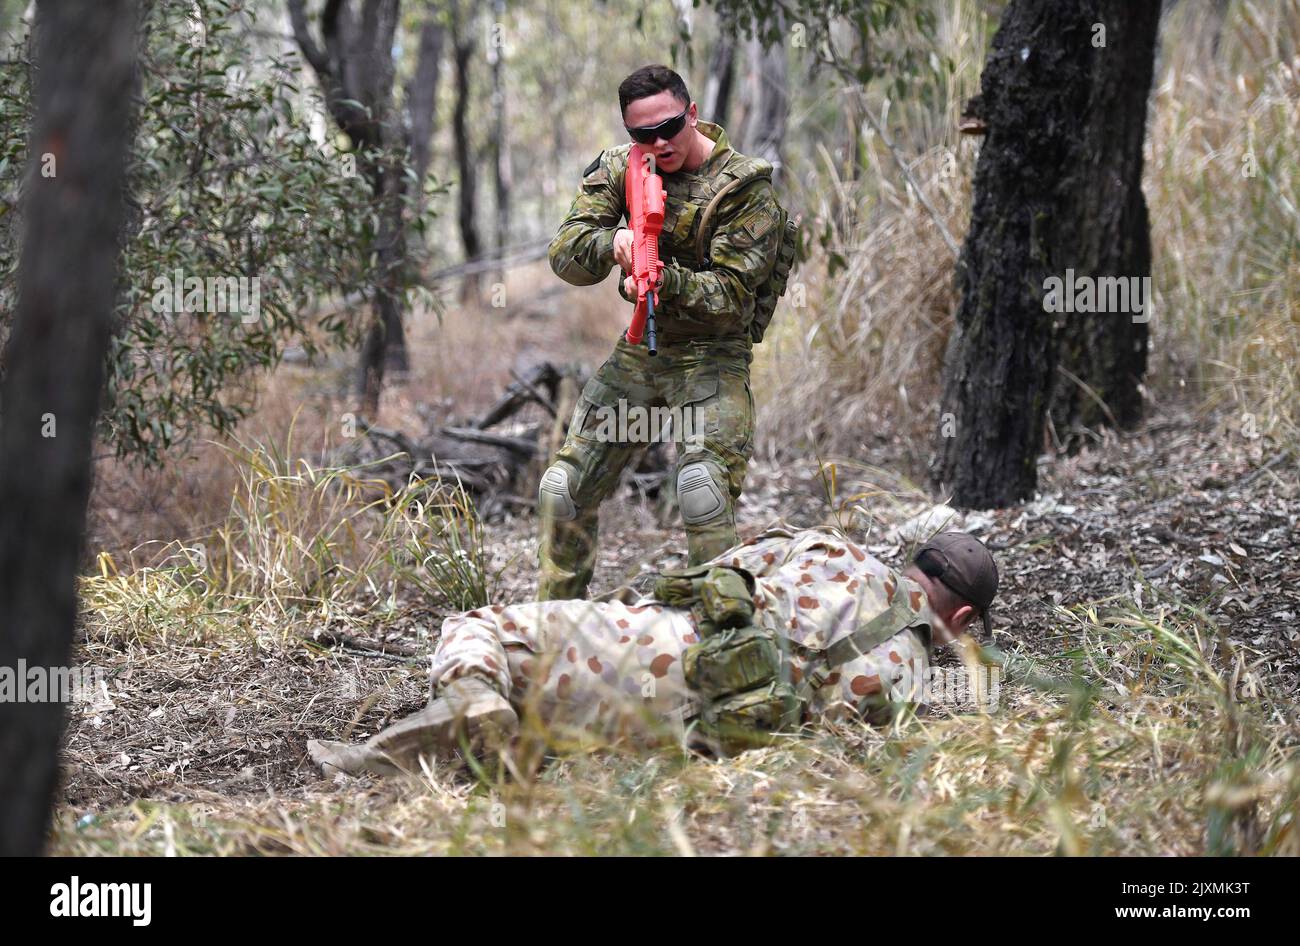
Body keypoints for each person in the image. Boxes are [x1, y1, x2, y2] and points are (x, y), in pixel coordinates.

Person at [307, 525, 1000, 777]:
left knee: (480, 626)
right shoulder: (906, 679)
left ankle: (473, 697)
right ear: (961, 617)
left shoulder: (830, 545)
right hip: (678, 727)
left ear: (915, 565)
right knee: (580, 731)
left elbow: (722, 572)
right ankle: (528, 736)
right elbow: (829, 751)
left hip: (654, 639)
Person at [537, 63, 792, 600]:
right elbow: (565, 255)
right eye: (641, 134)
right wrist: (614, 246)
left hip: (713, 355)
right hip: (640, 352)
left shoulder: (744, 189)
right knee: (562, 490)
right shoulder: (620, 168)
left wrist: (662, 282)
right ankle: (553, 628)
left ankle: (728, 634)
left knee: (702, 491)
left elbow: (729, 301)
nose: (658, 142)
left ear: (692, 114)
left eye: (670, 126)